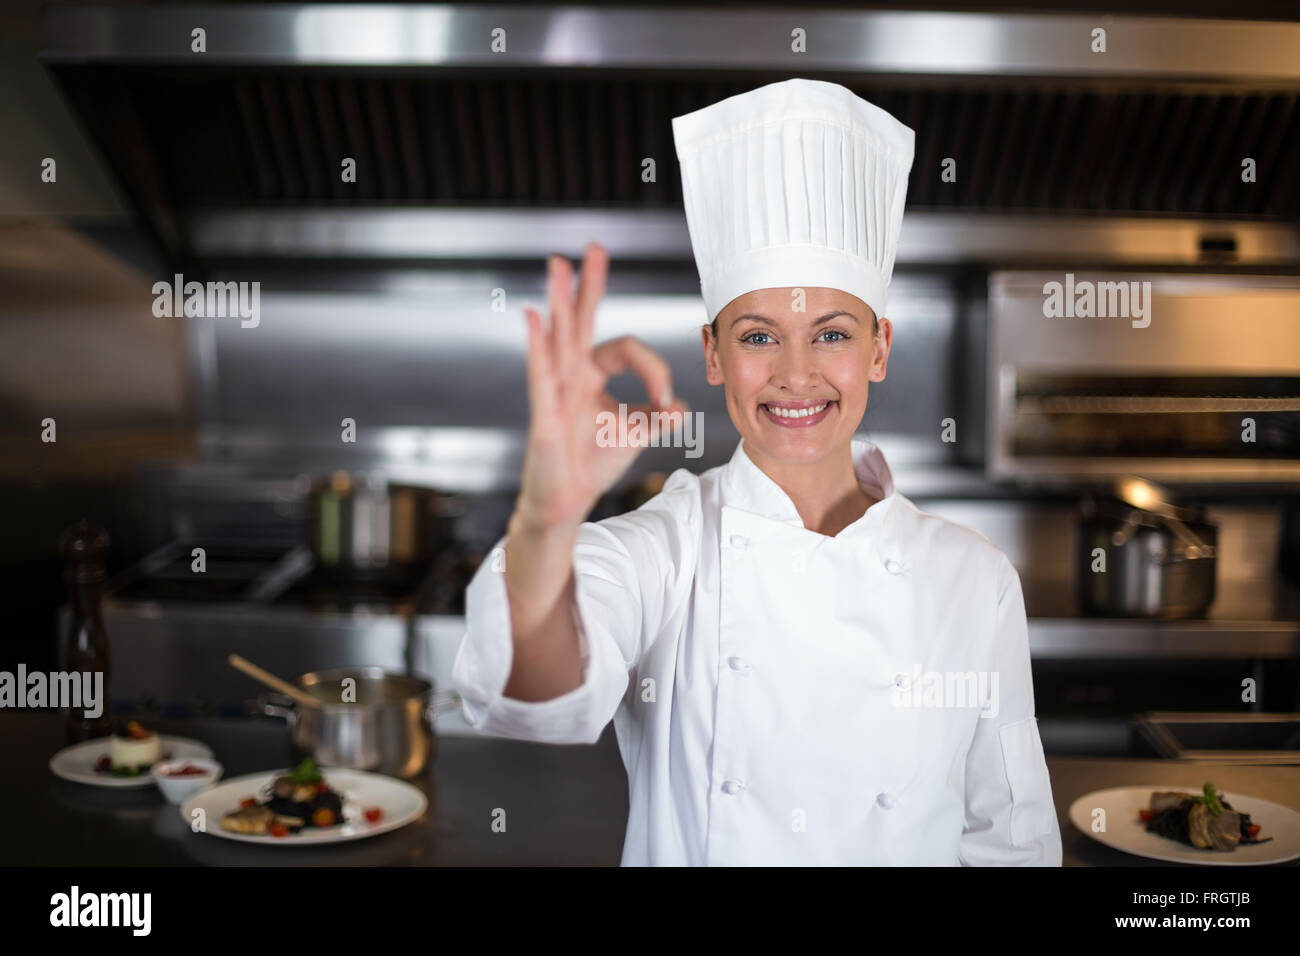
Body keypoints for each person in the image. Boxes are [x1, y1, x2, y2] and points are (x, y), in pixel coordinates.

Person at [452, 78, 1062, 866]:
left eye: (832, 334)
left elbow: (1011, 842)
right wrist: (546, 517)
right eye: (759, 336)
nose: (797, 374)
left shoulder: (974, 580)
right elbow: (534, 694)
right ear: (713, 353)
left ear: (879, 347)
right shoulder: (669, 550)